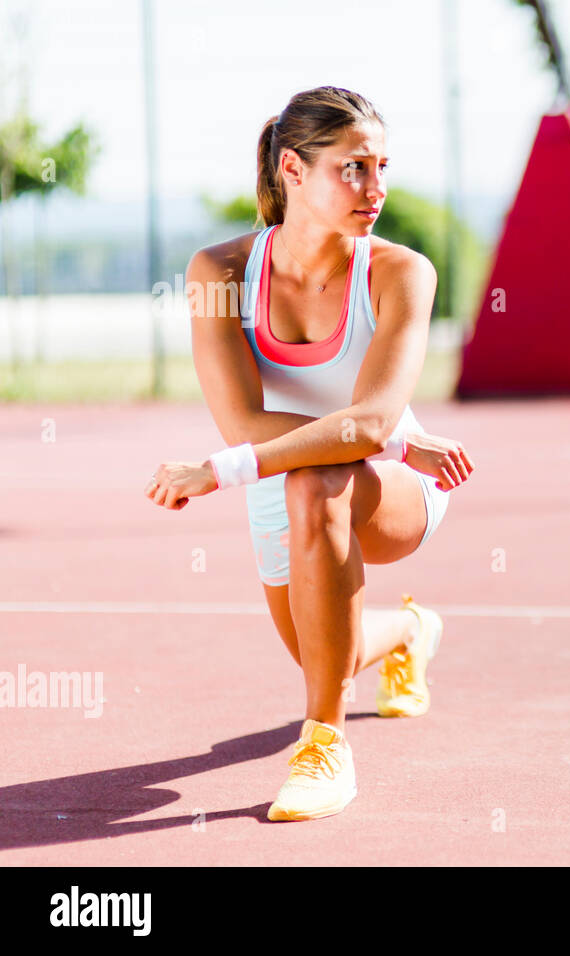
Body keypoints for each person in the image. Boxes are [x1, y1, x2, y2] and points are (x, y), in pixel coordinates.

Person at [143, 86, 474, 822]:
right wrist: (388, 435)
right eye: (352, 168)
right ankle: (412, 632)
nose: (376, 188)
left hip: (396, 488)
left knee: (318, 482)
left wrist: (372, 437)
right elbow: (241, 421)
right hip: (368, 460)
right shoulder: (218, 274)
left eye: (382, 166)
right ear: (293, 169)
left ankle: (324, 745)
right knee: (327, 650)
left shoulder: (400, 272)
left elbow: (360, 429)